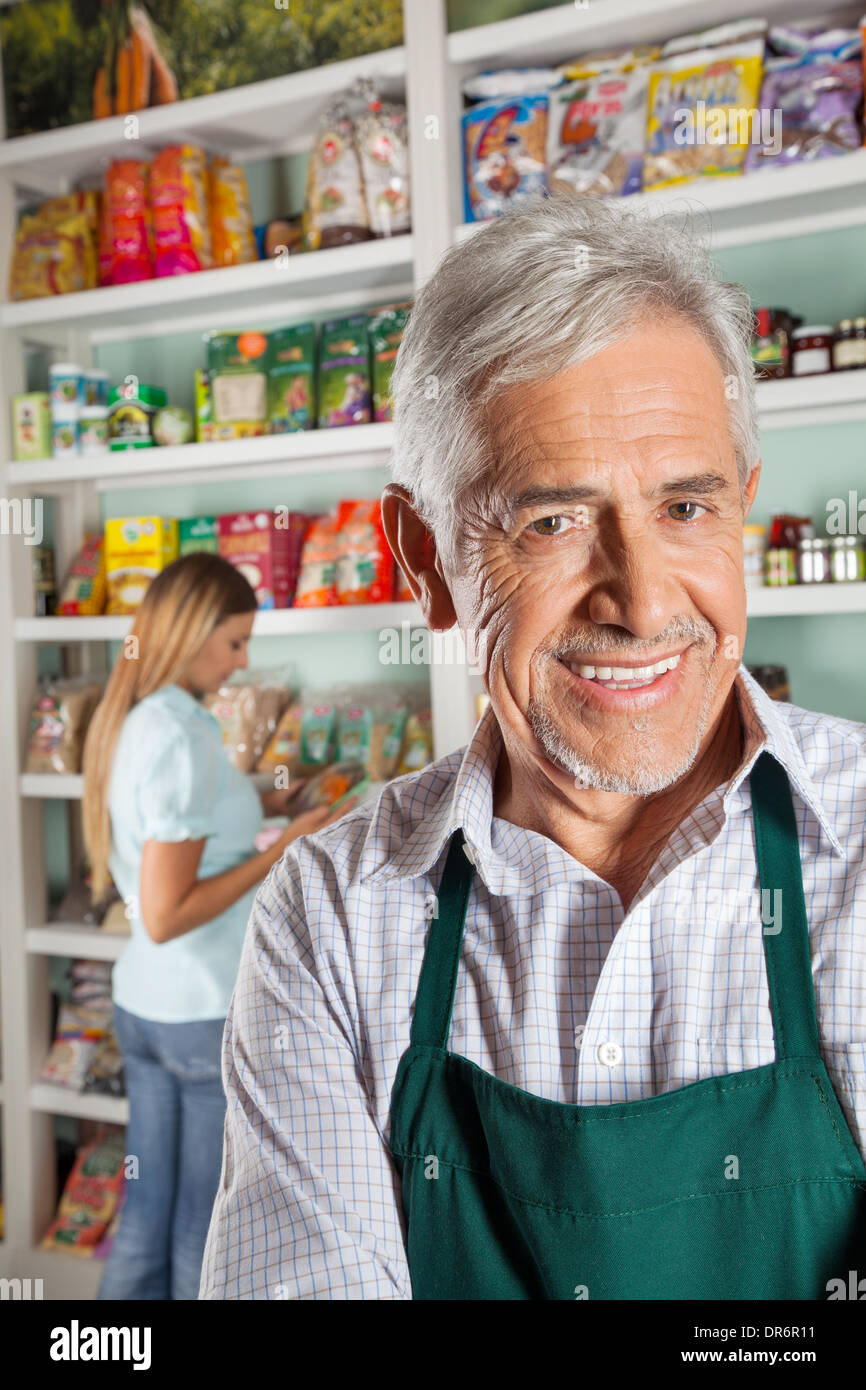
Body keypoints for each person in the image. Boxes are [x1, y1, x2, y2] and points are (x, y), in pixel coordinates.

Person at [200, 196, 866, 1301]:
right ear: (423, 558)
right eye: (552, 520)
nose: (642, 600)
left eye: (685, 507)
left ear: (740, 509)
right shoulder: (331, 919)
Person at [82, 552, 358, 1300]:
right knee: (202, 1227)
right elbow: (170, 912)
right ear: (192, 631)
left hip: (146, 1005)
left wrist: (270, 809)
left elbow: (184, 832)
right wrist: (287, 851)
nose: (244, 660)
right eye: (235, 641)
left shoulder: (148, 721)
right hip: (202, 1010)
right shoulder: (185, 737)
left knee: (148, 1207)